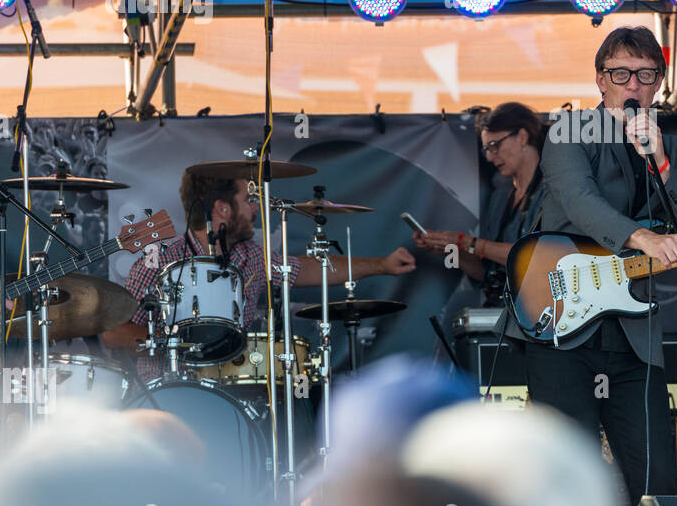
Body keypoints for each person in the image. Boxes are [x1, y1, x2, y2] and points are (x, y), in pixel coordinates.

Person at [525, 26, 677, 506]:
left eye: (645, 74)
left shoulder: (674, 149)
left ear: (659, 84)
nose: (633, 84)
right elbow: (579, 200)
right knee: (567, 480)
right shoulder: (570, 132)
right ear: (600, 80)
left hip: (634, 335)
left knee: (658, 480)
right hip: (561, 326)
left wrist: (664, 165)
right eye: (621, 73)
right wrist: (643, 238)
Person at [102, 170, 416, 380]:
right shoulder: (157, 262)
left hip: (235, 391)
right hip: (169, 397)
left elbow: (308, 268)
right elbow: (113, 333)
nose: (255, 209)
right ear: (223, 209)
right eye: (249, 201)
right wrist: (177, 344)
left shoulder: (249, 255)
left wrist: (380, 265)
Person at [413, 102, 546, 306]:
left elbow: (537, 258)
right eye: (486, 149)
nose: (489, 157)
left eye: (494, 146)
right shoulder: (500, 198)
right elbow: (484, 272)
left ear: (522, 136)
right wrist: (452, 248)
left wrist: (466, 242)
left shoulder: (552, 193)